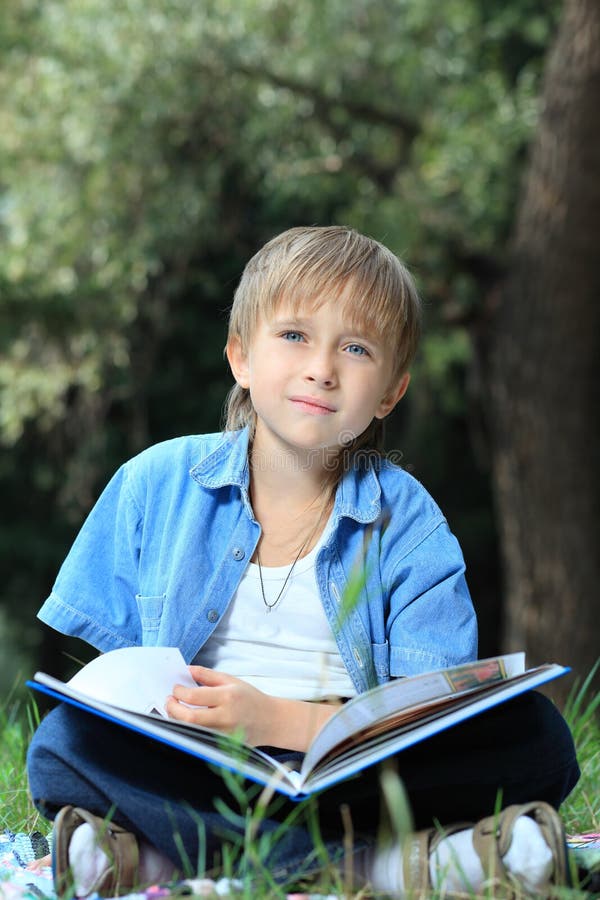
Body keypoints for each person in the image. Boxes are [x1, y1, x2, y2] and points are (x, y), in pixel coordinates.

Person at [27, 226, 580, 898]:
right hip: (198, 767)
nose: (322, 367)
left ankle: (166, 861)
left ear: (390, 392)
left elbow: (423, 713)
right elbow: (118, 682)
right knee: (61, 745)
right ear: (240, 357)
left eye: (356, 347)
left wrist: (278, 722)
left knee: (540, 739)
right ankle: (392, 866)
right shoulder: (154, 483)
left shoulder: (408, 521)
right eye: (294, 336)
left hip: (353, 774)